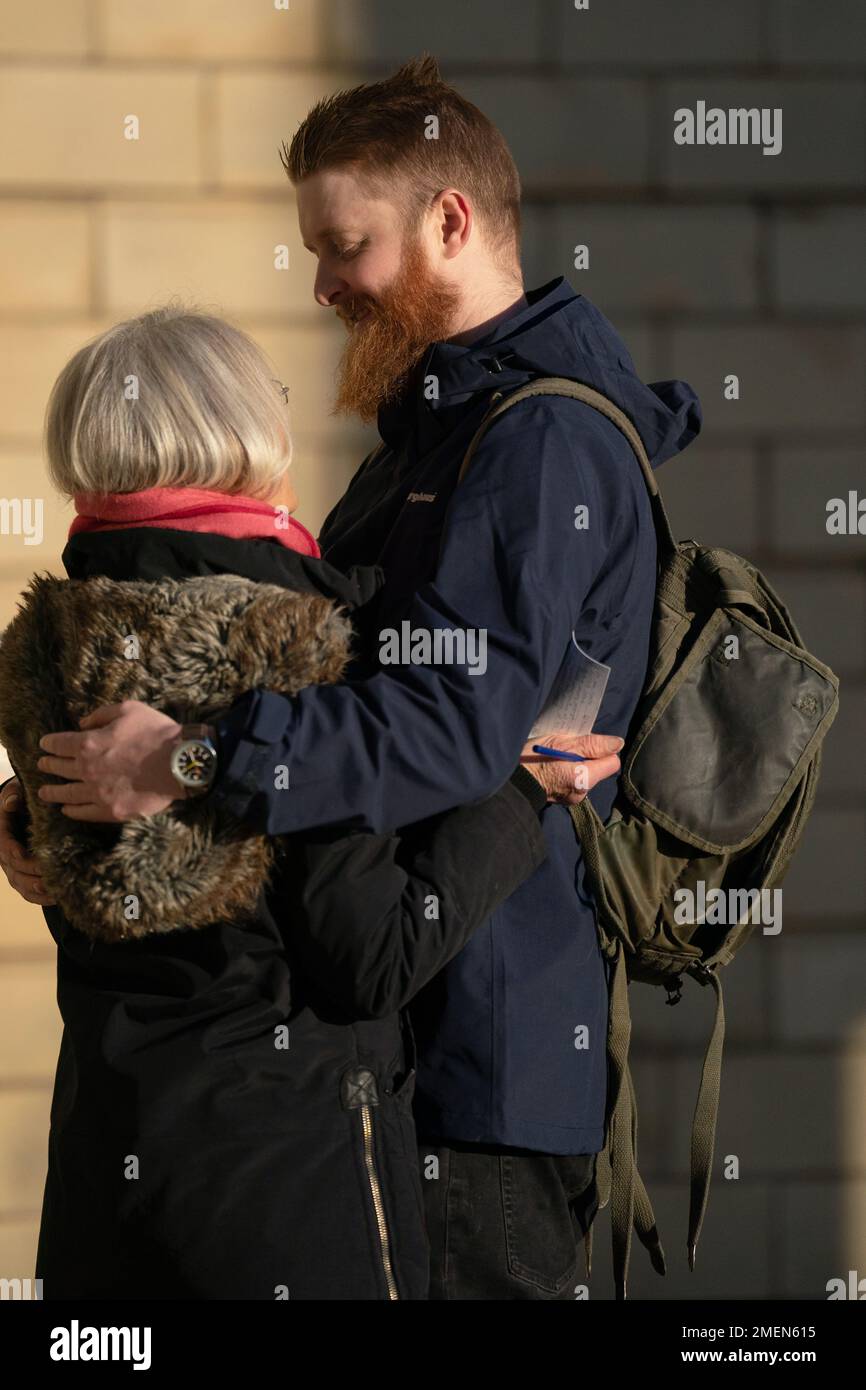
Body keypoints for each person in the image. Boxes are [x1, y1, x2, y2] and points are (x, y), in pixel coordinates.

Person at [1, 55, 701, 1299]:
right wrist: (56, 812)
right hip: (396, 1055)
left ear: (450, 220)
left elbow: (449, 723)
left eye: (344, 247)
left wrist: (189, 763)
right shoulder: (434, 437)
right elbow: (328, 679)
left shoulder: (539, 446)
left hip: (482, 1056)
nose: (319, 283)